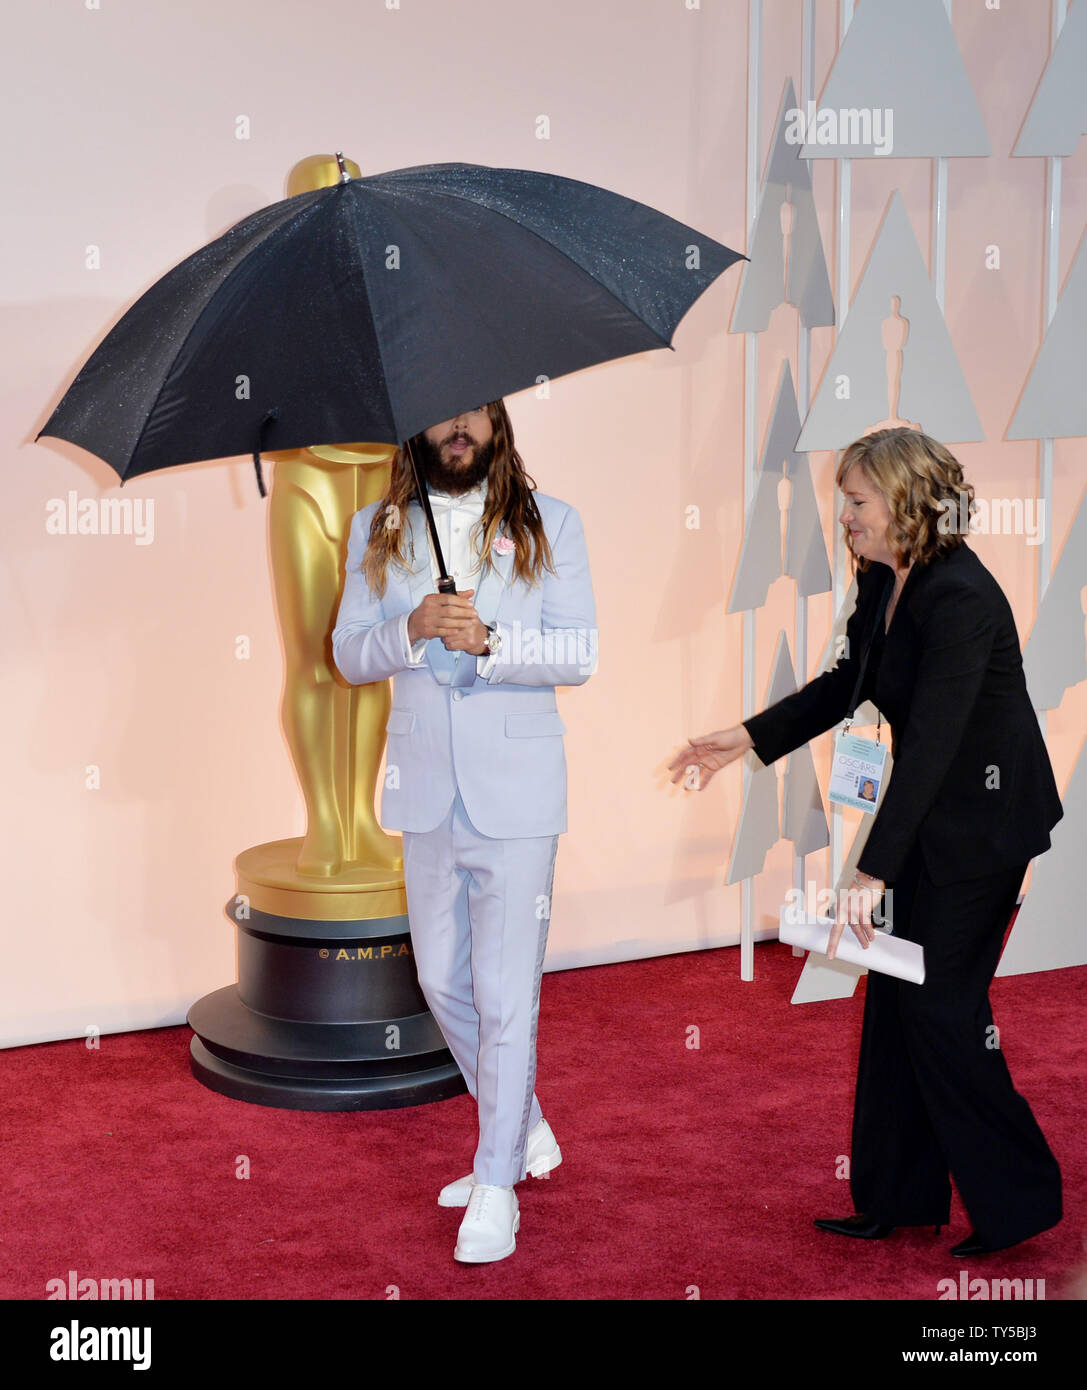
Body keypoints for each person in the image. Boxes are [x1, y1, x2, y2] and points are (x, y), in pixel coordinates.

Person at [668, 427, 1063, 1257]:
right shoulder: (883, 575)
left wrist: (869, 869)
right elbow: (843, 685)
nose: (842, 516)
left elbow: (933, 747)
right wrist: (742, 738)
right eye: (842, 500)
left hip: (981, 829)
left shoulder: (958, 594)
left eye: (855, 501)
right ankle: (896, 1196)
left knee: (942, 1010)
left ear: (907, 501)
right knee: (892, 1000)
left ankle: (1019, 1199)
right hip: (926, 819)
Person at [331, 400, 596, 1263]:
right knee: (444, 981)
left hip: (517, 794)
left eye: (473, 412)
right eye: (441, 413)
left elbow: (578, 652)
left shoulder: (552, 523)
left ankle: (494, 1182)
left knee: (505, 988)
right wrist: (408, 631)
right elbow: (346, 655)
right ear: (415, 428)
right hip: (422, 791)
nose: (458, 428)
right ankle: (522, 1130)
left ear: (498, 422)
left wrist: (489, 640)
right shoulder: (377, 529)